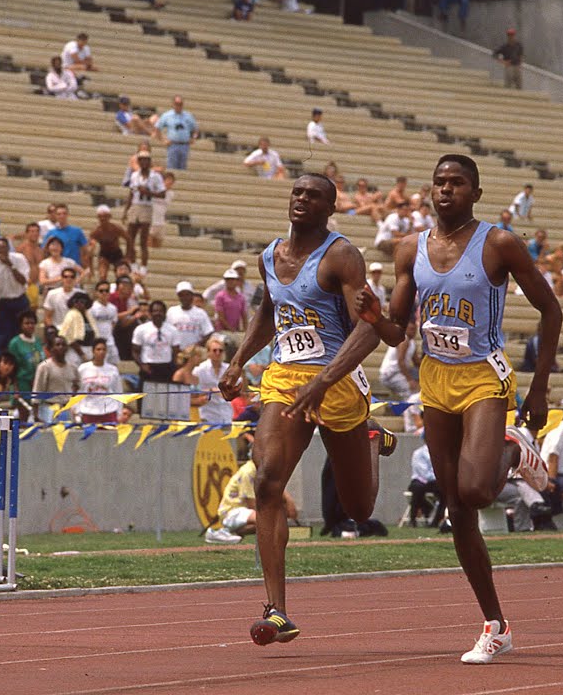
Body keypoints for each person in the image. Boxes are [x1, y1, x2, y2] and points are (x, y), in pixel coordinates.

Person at [353, 154, 559, 663]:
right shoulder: (410, 248)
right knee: (458, 509)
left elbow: (550, 309)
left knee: (475, 488)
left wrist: (539, 389)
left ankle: (514, 450)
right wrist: (376, 316)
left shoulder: (499, 243)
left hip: (484, 376)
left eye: (458, 183)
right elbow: (397, 329)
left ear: (476, 192)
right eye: (440, 183)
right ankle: (496, 625)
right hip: (436, 379)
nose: (446, 190)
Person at [215, 172, 390, 647]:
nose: (302, 200)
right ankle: (276, 611)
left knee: (358, 507)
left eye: (313, 195)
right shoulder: (269, 255)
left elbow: (369, 330)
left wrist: (324, 379)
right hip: (285, 378)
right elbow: (270, 314)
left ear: (329, 208)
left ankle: (372, 440)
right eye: (297, 192)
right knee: (267, 478)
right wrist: (238, 360)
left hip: (337, 380)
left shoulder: (341, 256)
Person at [0, 236, 31, 354]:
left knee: (21, 332)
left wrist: (11, 265)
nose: (2, 251)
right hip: (2, 302)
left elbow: (23, 280)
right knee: (3, 335)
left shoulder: (19, 259)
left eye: (4, 248)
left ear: (9, 248)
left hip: (19, 300)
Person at [121, 154, 166, 271]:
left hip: (146, 206)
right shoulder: (135, 175)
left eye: (146, 160)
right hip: (136, 205)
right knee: (130, 237)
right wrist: (126, 210)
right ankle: (133, 263)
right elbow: (131, 193)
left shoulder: (155, 177)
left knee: (143, 239)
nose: (144, 163)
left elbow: (162, 193)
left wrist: (148, 193)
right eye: (141, 160)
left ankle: (143, 266)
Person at [131, 300, 181, 387]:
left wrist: (172, 366)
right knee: (145, 397)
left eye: (161, 311)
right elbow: (135, 351)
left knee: (164, 397)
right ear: (150, 313)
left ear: (165, 313)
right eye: (155, 311)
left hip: (166, 367)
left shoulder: (173, 330)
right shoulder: (141, 329)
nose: (158, 313)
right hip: (148, 367)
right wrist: (142, 365)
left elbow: (176, 351)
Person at [31, 336, 79, 421]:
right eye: (57, 344)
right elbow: (37, 390)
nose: (61, 347)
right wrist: (36, 414)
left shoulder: (73, 367)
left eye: (63, 345)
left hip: (66, 408)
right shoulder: (44, 367)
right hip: (49, 408)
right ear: (52, 348)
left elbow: (77, 385)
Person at [76, 339, 123, 424]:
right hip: (88, 410)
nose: (101, 352)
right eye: (98, 349)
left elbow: (118, 391)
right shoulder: (83, 369)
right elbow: (78, 391)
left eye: (104, 349)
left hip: (108, 410)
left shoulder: (113, 370)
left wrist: (119, 412)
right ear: (93, 351)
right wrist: (77, 411)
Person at [8, 310, 46, 403]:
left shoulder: (37, 341)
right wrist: (15, 389)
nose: (30, 326)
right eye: (27, 323)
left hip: (37, 383)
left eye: (32, 323)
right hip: (22, 384)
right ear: (21, 325)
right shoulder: (15, 343)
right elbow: (12, 368)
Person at [166, 281, 215, 350]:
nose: (185, 297)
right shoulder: (172, 311)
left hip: (194, 352)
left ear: (192, 296)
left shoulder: (200, 313)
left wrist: (196, 346)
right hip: (176, 351)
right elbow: (167, 331)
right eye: (181, 295)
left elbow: (208, 332)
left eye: (187, 294)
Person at [155, 96, 199, 170]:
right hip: (173, 144)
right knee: (171, 167)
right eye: (176, 103)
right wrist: (163, 140)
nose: (178, 106)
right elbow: (157, 128)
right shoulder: (167, 115)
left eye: (180, 104)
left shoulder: (188, 116)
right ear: (173, 104)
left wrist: (193, 138)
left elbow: (196, 129)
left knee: (183, 167)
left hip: (185, 145)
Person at [407, 438, 443, 526]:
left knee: (445, 493)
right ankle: (413, 519)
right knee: (418, 488)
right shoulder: (419, 453)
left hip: (434, 481)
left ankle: (436, 521)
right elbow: (423, 473)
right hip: (420, 480)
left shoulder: (440, 453)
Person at [58, 290, 99, 363]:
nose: (79, 303)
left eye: (82, 301)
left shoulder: (88, 315)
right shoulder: (71, 315)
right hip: (75, 352)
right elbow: (67, 337)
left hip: (89, 349)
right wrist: (82, 355)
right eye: (76, 301)